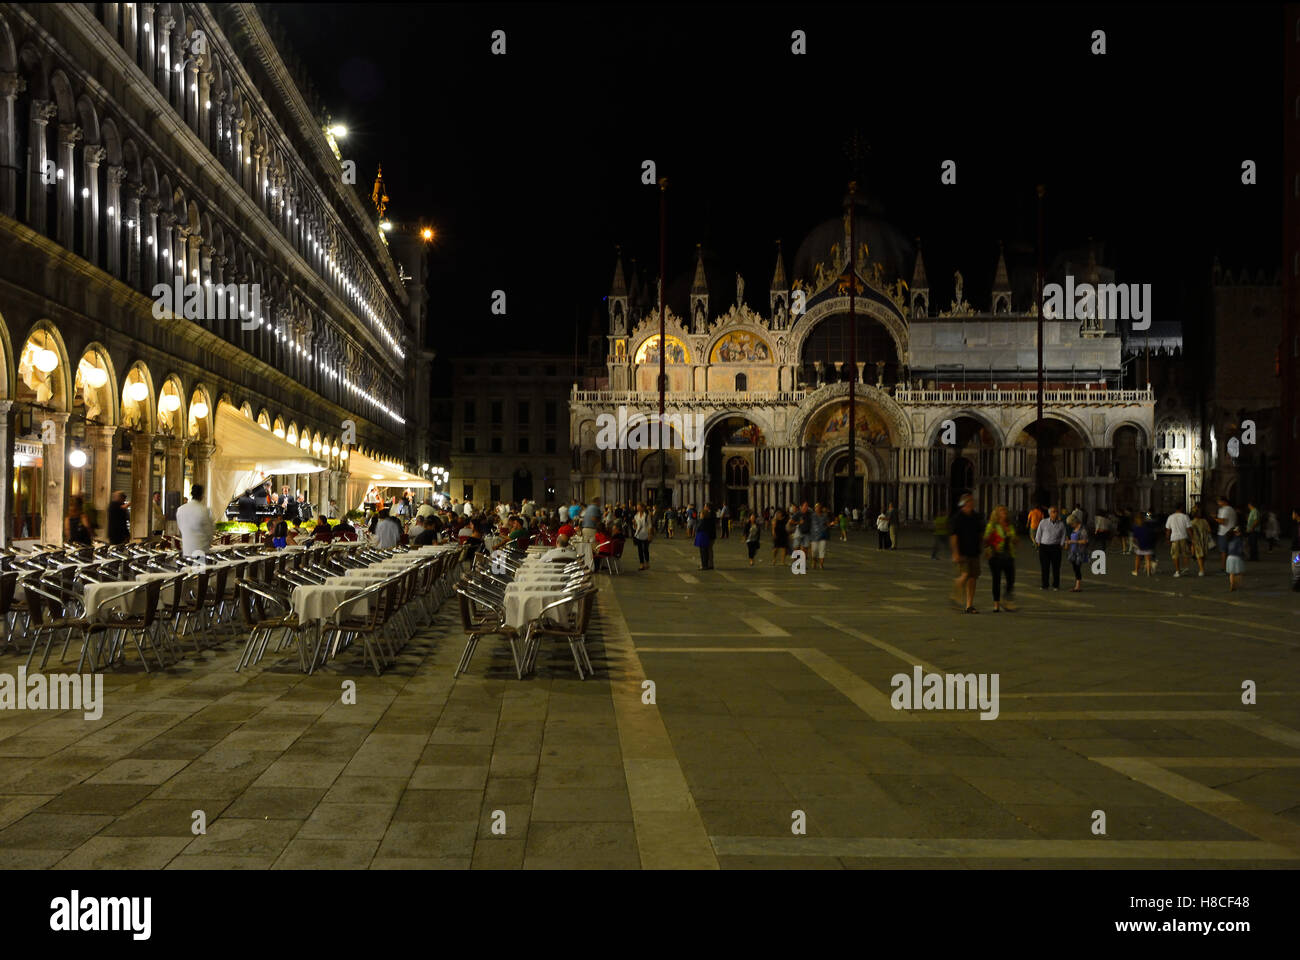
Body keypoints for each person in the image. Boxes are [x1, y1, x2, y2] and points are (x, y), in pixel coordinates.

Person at [950, 494, 984, 614]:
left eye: (972, 501)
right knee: (965, 575)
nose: (971, 503)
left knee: (973, 578)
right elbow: (954, 536)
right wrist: (955, 553)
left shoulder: (976, 516)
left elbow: (980, 533)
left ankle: (969, 605)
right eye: (968, 502)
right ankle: (956, 594)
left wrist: (982, 547)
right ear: (964, 503)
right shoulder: (958, 517)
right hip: (963, 552)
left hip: (974, 552)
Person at [982, 504, 1017, 612]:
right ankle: (996, 604)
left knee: (1011, 580)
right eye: (1002, 511)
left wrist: (1014, 539)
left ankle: (1005, 599)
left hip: (1008, 556)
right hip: (995, 556)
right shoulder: (992, 526)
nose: (1004, 513)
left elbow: (1015, 540)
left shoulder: (1009, 526)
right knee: (996, 580)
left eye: (1005, 511)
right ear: (997, 514)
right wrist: (990, 540)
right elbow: (986, 540)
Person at [175, 485, 215, 558]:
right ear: (202, 495)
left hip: (187, 549)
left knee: (188, 568)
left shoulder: (181, 509)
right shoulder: (204, 510)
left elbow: (181, 527)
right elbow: (209, 531)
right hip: (202, 549)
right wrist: (209, 543)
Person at [1034, 505, 1067, 590]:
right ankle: (1045, 585)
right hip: (1044, 547)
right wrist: (1038, 545)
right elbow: (1038, 534)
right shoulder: (1043, 522)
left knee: (1056, 567)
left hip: (1056, 547)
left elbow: (1063, 534)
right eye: (1053, 512)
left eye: (1056, 511)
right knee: (1045, 567)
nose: (1056, 513)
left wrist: (1062, 544)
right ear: (1050, 514)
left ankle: (1056, 585)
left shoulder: (1061, 524)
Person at [1165, 504, 1190, 578]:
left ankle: (1177, 571)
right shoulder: (1185, 517)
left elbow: (1168, 530)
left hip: (1174, 538)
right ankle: (1185, 567)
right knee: (1185, 553)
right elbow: (1189, 529)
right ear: (1181, 508)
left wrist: (1167, 538)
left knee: (1175, 555)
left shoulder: (1170, 517)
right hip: (1183, 537)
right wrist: (1192, 537)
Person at [1066, 515, 1089, 592]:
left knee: (1077, 568)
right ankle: (1077, 585)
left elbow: (1085, 541)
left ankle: (1078, 586)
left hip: (1079, 552)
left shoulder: (1083, 529)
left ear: (1075, 522)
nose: (1071, 525)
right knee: (1075, 568)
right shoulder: (1074, 529)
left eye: (1071, 524)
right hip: (1073, 551)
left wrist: (1074, 542)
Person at [1188, 504, 1212, 577]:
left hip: (1196, 539)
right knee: (1203, 554)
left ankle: (1201, 570)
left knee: (1199, 555)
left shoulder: (1191, 522)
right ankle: (1202, 569)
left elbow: (1190, 532)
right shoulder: (1204, 521)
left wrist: (1192, 538)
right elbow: (1209, 530)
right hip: (1204, 539)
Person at [1215, 496, 1238, 572]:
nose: (1218, 503)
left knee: (1223, 551)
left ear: (1223, 501)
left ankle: (1223, 568)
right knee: (1231, 551)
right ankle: (1231, 568)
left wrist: (1215, 518)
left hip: (1224, 532)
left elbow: (1222, 521)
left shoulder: (1225, 510)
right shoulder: (1232, 509)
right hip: (1231, 532)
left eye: (1219, 501)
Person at [1131, 512, 1156, 576]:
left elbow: (1135, 538)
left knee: (1137, 558)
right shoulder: (1148, 525)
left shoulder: (1136, 527)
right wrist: (1148, 513)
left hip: (1140, 545)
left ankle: (1136, 571)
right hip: (1148, 544)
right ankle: (1148, 572)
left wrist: (1135, 544)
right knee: (1148, 559)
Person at [695, 505, 716, 570]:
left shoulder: (705, 519)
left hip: (705, 536)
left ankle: (706, 565)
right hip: (707, 536)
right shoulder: (709, 517)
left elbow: (698, 528)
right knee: (708, 551)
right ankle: (708, 564)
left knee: (705, 551)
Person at [632, 502, 653, 571]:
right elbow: (635, 527)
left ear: (642, 508)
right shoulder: (636, 516)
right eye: (637, 507)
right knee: (640, 550)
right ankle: (641, 564)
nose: (637, 508)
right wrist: (634, 524)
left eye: (639, 507)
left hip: (645, 534)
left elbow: (650, 525)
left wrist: (650, 535)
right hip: (638, 535)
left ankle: (647, 562)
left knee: (645, 549)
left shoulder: (646, 515)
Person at [810, 503, 830, 570]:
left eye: (819, 507)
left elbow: (828, 524)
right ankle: (814, 562)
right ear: (814, 508)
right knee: (814, 550)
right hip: (814, 536)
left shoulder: (824, 516)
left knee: (822, 550)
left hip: (822, 535)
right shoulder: (812, 516)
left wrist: (830, 524)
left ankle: (821, 564)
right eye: (816, 507)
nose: (818, 508)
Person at [1225, 525, 1246, 591]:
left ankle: (1232, 584)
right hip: (1237, 557)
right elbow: (1240, 550)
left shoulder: (1230, 539)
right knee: (1239, 573)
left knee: (1232, 573)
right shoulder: (1239, 540)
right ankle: (1237, 585)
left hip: (1229, 557)